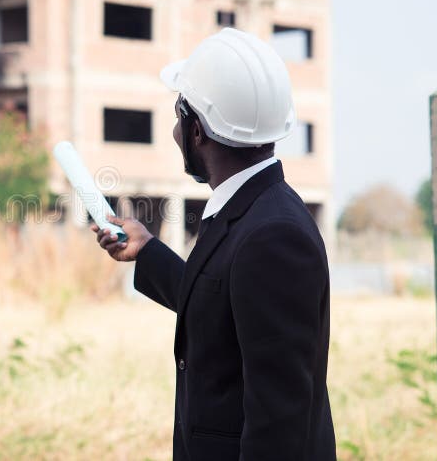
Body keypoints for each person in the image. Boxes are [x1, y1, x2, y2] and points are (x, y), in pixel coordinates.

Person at [91, 28, 336, 460]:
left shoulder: (272, 236)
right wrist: (147, 250)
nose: (173, 131)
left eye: (177, 115)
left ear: (197, 130)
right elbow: (228, 306)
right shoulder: (254, 211)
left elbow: (279, 425)